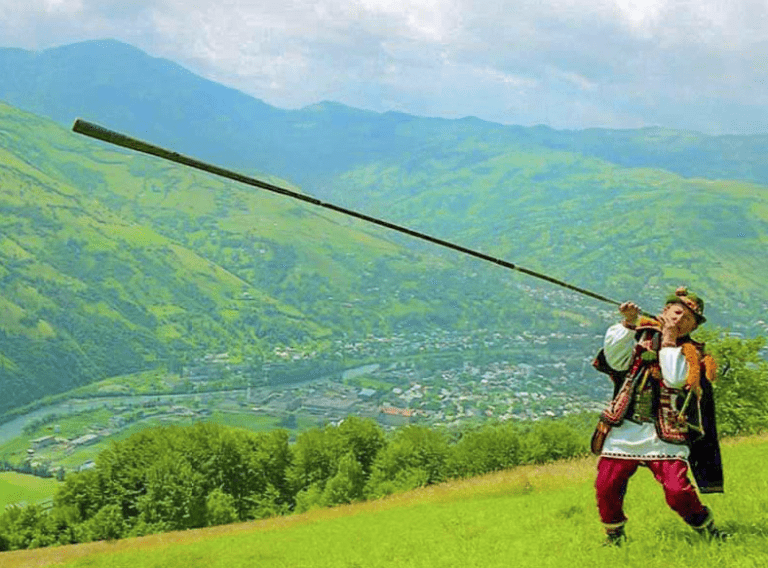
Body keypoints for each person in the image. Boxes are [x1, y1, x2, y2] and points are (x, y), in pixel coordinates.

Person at [590, 287, 726, 545]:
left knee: (677, 491)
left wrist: (669, 341)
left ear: (692, 327)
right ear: (664, 311)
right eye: (675, 313)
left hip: (666, 430)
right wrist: (628, 323)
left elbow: (674, 379)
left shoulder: (692, 353)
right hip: (625, 426)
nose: (677, 320)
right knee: (606, 485)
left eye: (686, 319)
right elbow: (615, 361)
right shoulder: (638, 336)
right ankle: (614, 536)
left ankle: (707, 529)